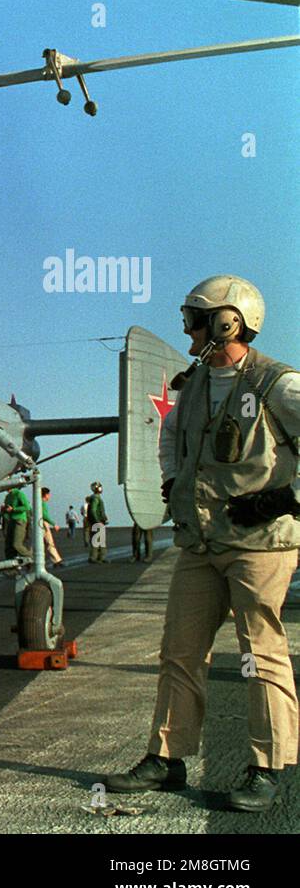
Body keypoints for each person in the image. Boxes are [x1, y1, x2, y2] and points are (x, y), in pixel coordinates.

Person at [101, 275, 300, 813]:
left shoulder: (278, 384)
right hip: (200, 543)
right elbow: (169, 439)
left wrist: (285, 498)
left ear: (226, 321)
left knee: (261, 653)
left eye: (194, 316)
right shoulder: (192, 386)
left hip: (258, 544)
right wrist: (171, 482)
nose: (186, 327)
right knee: (180, 652)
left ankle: (267, 767)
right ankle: (167, 758)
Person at [1, 486, 31, 559]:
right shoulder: (8, 496)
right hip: (11, 521)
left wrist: (14, 509)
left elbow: (26, 507)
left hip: (19, 521)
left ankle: (30, 556)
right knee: (8, 545)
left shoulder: (19, 494)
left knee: (16, 544)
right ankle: (10, 563)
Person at [85, 481, 108, 563]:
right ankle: (93, 558)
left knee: (100, 540)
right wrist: (98, 521)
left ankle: (101, 557)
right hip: (97, 522)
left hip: (98, 521)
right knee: (96, 540)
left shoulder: (95, 497)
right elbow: (93, 511)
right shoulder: (95, 498)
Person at [40, 487, 64, 567]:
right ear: (45, 495)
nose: (49, 496)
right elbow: (44, 515)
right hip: (43, 524)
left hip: (40, 523)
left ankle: (57, 560)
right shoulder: (42, 503)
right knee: (49, 542)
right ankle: (56, 560)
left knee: (44, 543)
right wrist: (54, 524)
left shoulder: (40, 503)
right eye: (48, 494)